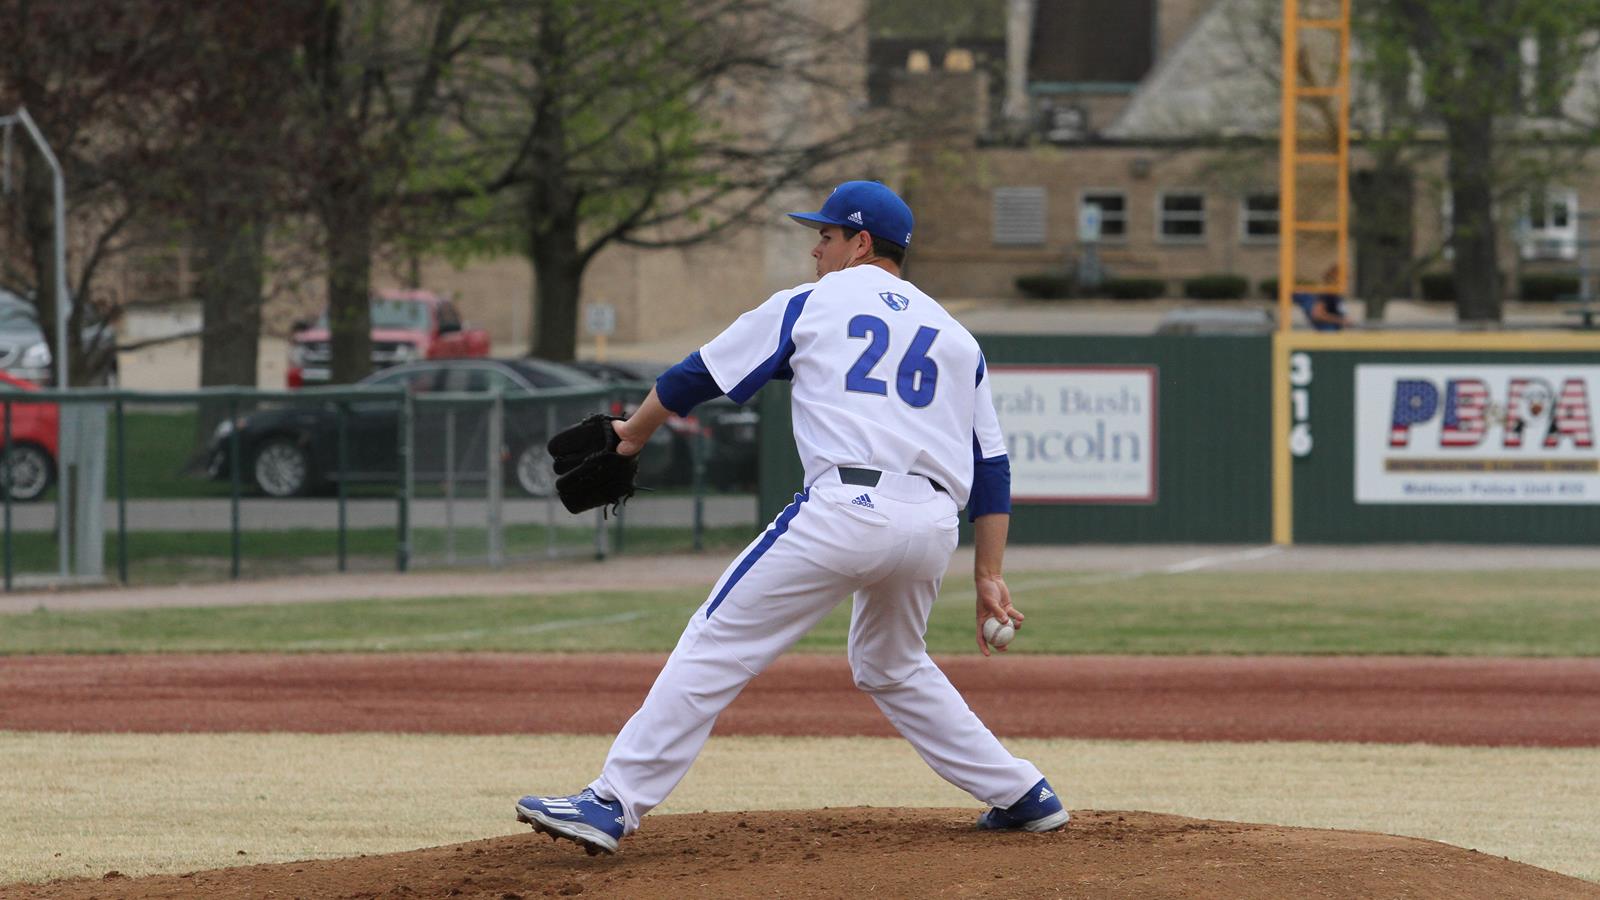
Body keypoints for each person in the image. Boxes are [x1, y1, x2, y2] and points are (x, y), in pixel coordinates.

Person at [515, 181, 1067, 854]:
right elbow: (993, 466)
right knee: (891, 664)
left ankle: (611, 802)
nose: (815, 249)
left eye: (826, 235)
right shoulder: (956, 337)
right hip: (931, 525)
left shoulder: (812, 303)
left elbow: (698, 374)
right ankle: (1022, 793)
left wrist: (631, 434)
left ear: (860, 242)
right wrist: (988, 573)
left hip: (847, 509)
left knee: (717, 640)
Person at [1292, 263, 1351, 331]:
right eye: (1345, 277)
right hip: (1327, 330)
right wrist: (1340, 320)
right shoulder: (1328, 293)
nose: (1346, 281)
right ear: (1335, 277)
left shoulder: (1335, 293)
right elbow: (1317, 314)